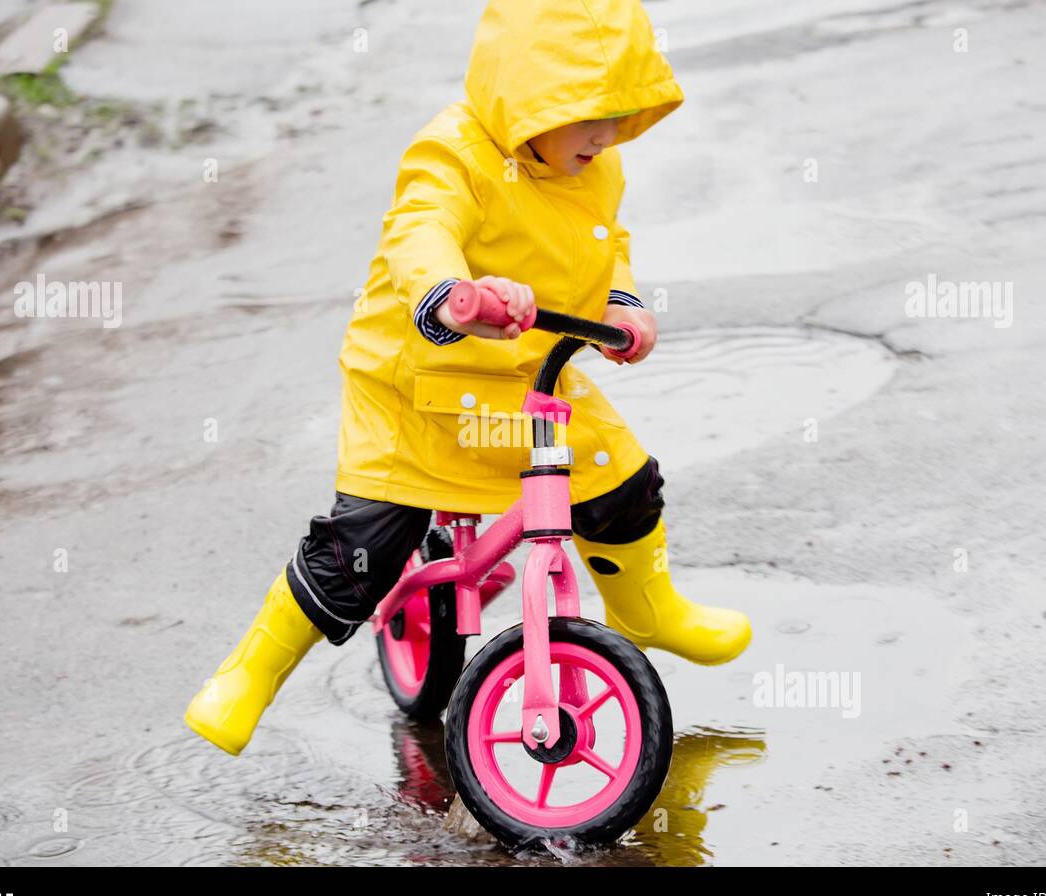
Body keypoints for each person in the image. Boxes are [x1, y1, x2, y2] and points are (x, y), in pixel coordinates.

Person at [185, 0, 751, 756]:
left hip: (521, 371)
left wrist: (622, 304)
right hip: (416, 379)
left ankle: (647, 607)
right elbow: (421, 229)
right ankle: (248, 672)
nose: (606, 135)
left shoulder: (595, 166)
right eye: (588, 113)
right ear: (530, 97)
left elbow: (606, 243)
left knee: (620, 481)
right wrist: (455, 293)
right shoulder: (453, 152)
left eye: (620, 114)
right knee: (364, 548)